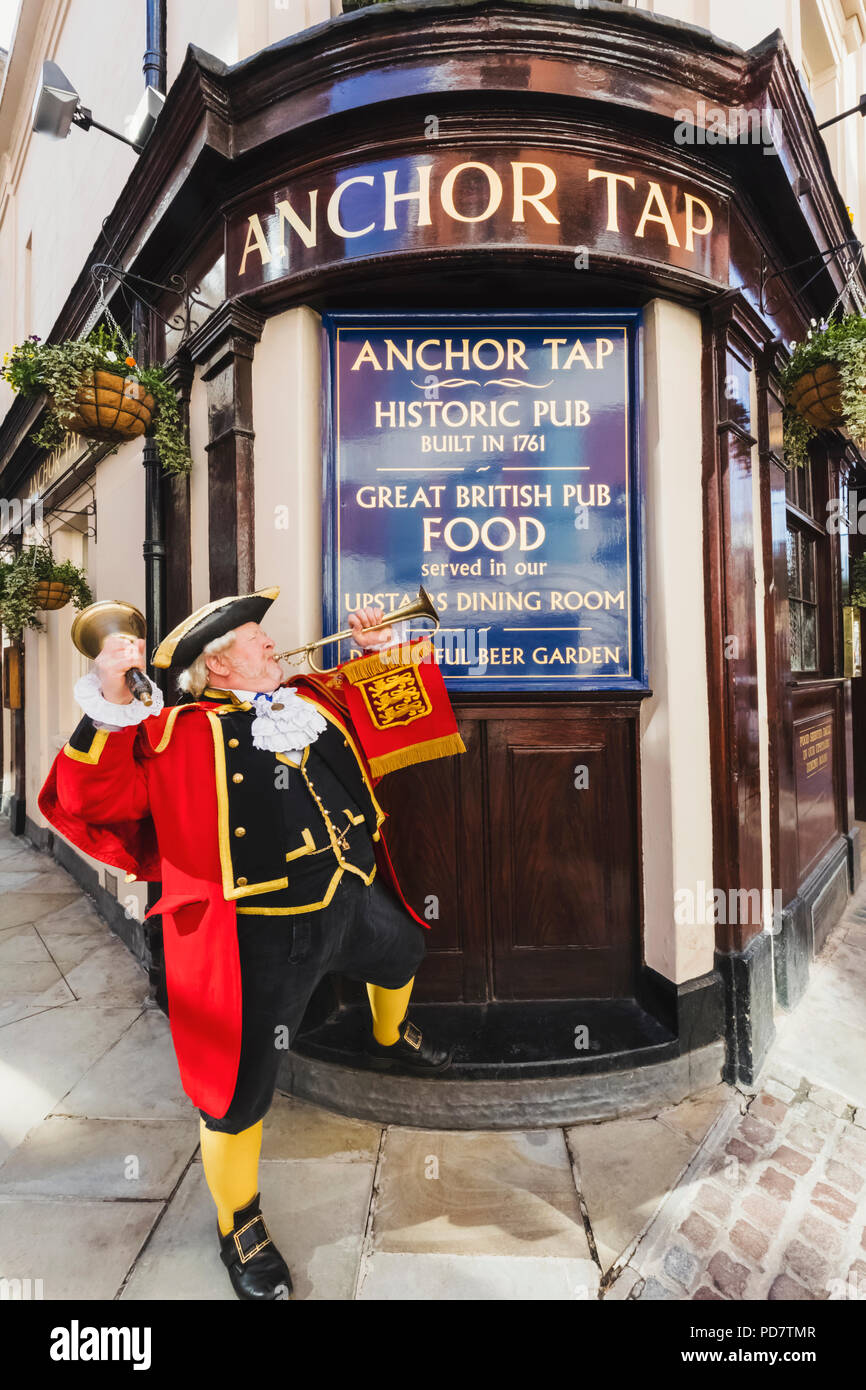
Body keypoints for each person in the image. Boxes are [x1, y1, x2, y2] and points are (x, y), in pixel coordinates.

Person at [38, 586, 458, 1300]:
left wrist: (372, 658)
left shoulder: (310, 700)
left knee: (402, 953)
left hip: (349, 893)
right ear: (219, 667)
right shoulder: (174, 733)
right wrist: (108, 704)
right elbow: (87, 800)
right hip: (255, 936)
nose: (271, 643)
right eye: (255, 639)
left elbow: (390, 721)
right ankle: (240, 1225)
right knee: (237, 1091)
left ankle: (389, 1035)